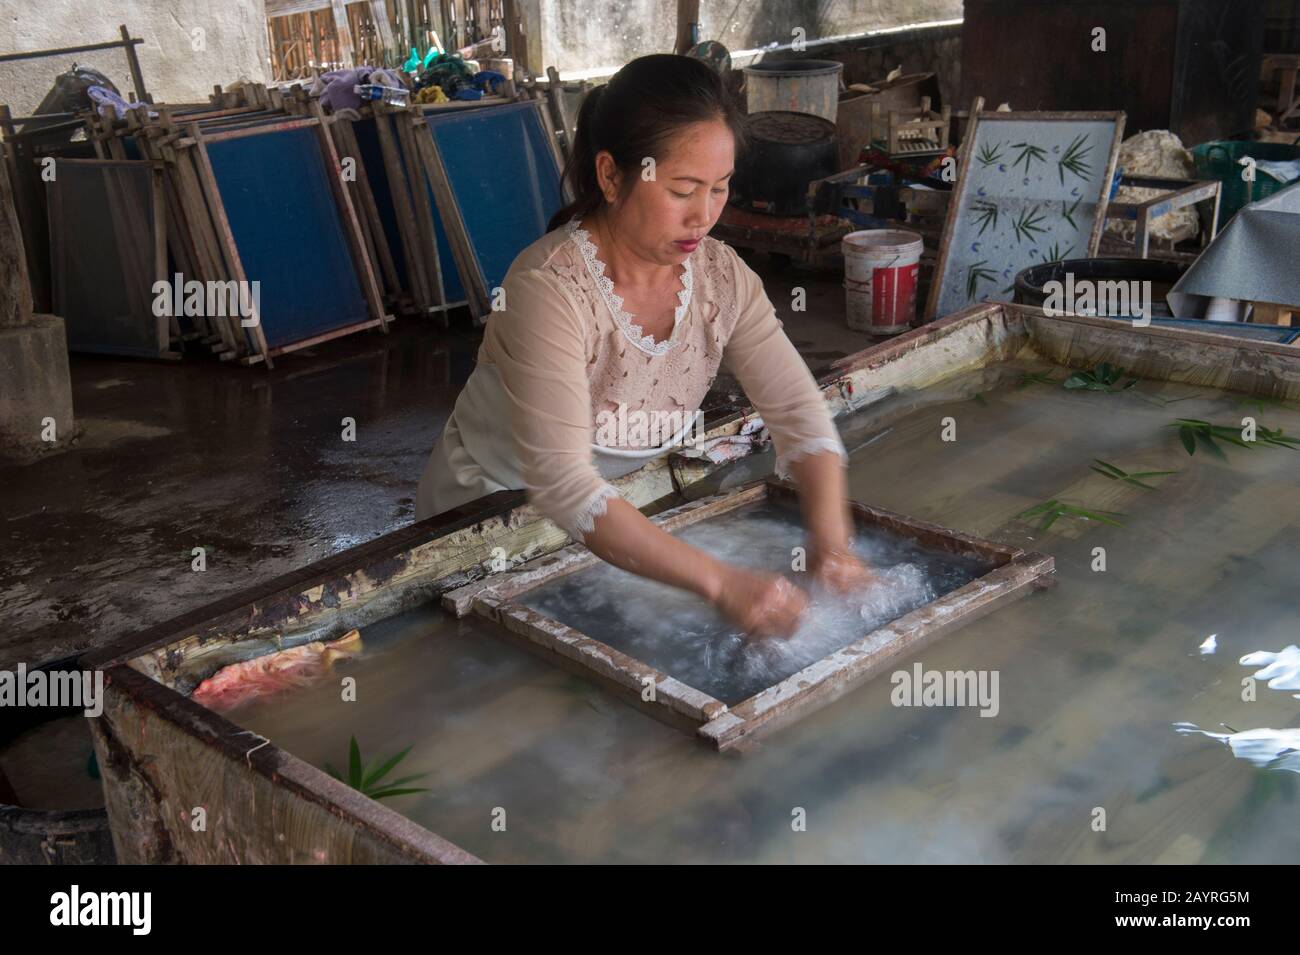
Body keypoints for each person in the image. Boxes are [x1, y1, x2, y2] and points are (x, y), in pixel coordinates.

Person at [417, 53, 877, 637]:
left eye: (719, 188)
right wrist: (721, 582)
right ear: (611, 176)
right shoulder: (548, 291)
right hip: (485, 522)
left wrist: (832, 546)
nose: (704, 216)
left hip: (613, 524)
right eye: (683, 189)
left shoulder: (722, 279)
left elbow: (797, 412)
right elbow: (562, 483)